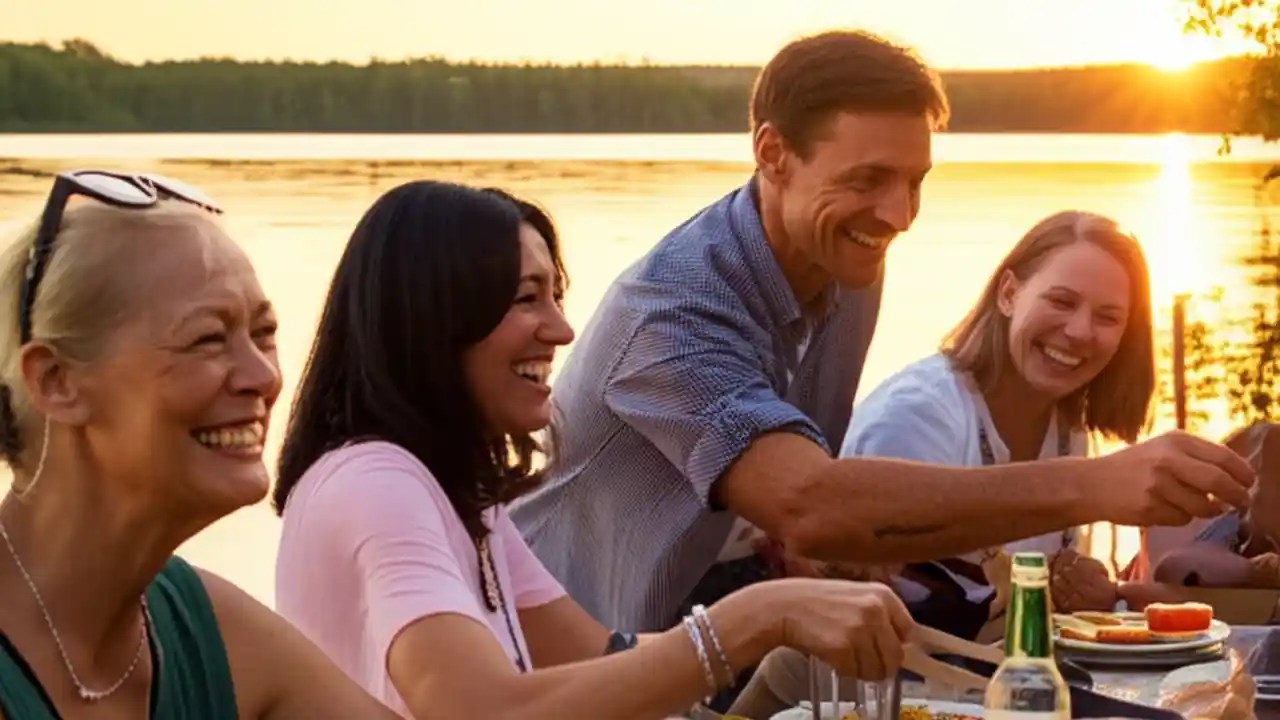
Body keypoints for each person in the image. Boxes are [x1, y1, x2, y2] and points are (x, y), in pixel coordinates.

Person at [508, 29, 1254, 641]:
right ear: (773, 154)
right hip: (565, 655)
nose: (898, 213)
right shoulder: (672, 314)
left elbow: (802, 510)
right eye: (867, 179)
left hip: (694, 638)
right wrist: (1098, 486)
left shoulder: (845, 264)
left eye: (915, 180)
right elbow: (809, 501)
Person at [271, 180, 915, 720]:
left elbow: (603, 656)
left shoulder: (453, 493)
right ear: (432, 317)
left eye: (555, 295)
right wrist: (754, 618)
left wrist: (788, 630)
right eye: (527, 299)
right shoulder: (375, 483)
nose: (561, 329)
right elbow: (479, 709)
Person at [0, 170, 399, 718]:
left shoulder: (202, 629)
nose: (261, 377)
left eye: (264, 334)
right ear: (56, 381)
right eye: (209, 338)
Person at [838, 210, 1151, 638]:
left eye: (1108, 317)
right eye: (1061, 301)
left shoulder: (1066, 423)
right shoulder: (917, 414)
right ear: (1008, 294)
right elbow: (859, 598)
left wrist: (1091, 594)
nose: (1080, 331)